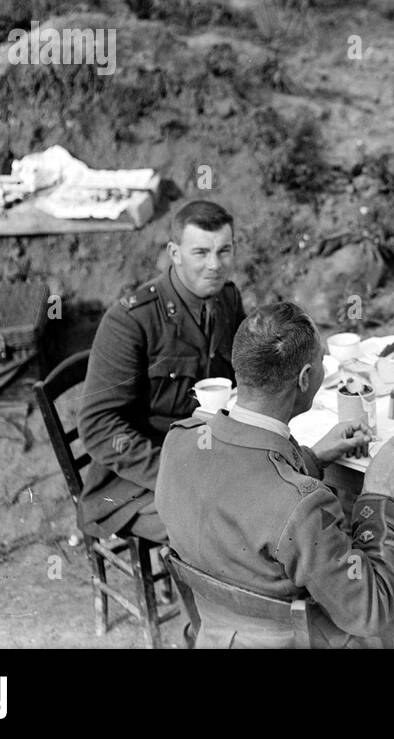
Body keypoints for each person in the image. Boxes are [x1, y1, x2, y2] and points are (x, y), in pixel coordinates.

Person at [155, 302, 394, 648]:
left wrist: (311, 457)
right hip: (308, 639)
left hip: (218, 631)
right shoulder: (301, 506)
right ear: (304, 379)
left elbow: (248, 492)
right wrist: (377, 492)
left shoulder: (180, 440)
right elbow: (369, 613)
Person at [77, 200, 245, 543]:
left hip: (209, 457)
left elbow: (243, 375)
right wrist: (177, 475)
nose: (214, 265)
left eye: (224, 251)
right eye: (200, 252)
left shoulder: (226, 298)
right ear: (175, 252)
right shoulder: (131, 321)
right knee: (218, 534)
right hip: (133, 483)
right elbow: (97, 427)